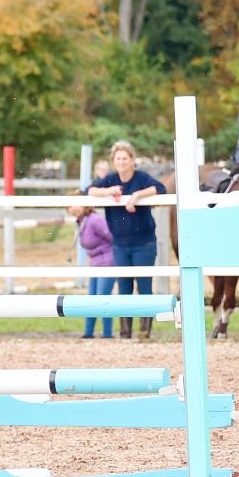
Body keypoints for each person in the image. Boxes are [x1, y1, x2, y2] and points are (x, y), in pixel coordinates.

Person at [86, 141, 166, 339]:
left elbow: (160, 188)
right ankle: (125, 332)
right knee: (124, 287)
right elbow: (90, 190)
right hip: (120, 244)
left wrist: (137, 195)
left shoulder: (141, 178)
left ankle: (145, 331)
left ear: (132, 160)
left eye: (125, 158)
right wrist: (109, 191)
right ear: (114, 161)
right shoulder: (110, 180)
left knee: (144, 286)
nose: (121, 162)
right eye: (118, 158)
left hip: (143, 242)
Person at [71, 204, 114, 339]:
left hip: (106, 261)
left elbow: (111, 238)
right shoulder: (82, 221)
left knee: (102, 296)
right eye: (69, 206)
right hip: (95, 262)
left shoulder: (95, 220)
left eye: (74, 205)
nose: (72, 209)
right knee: (92, 296)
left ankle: (107, 333)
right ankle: (88, 332)